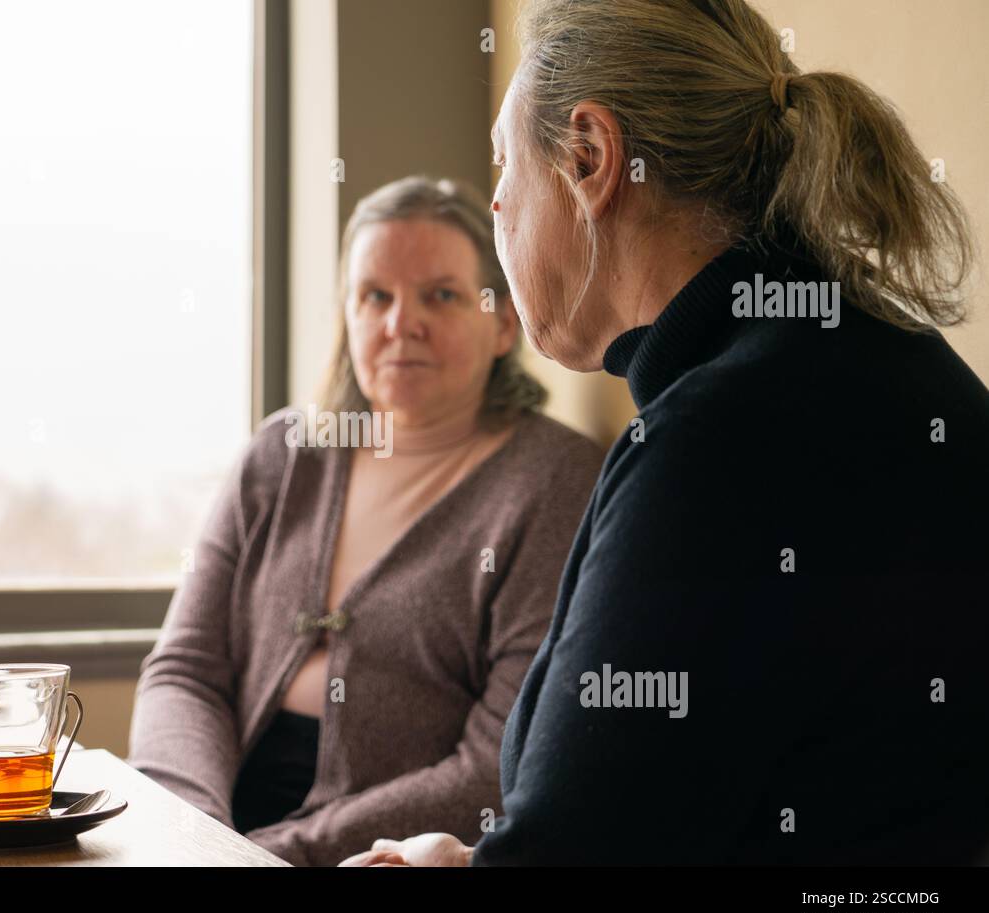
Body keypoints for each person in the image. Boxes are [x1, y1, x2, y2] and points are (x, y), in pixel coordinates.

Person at [343, 0, 989, 867]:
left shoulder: (714, 445)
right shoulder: (896, 357)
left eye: (503, 165)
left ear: (591, 159)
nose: (493, 201)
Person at [128, 175, 605, 866]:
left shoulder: (554, 483)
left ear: (504, 323)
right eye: (374, 296)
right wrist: (198, 835)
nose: (398, 323)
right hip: (214, 830)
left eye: (440, 295)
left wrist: (272, 854)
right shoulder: (280, 457)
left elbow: (494, 762)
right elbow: (184, 671)